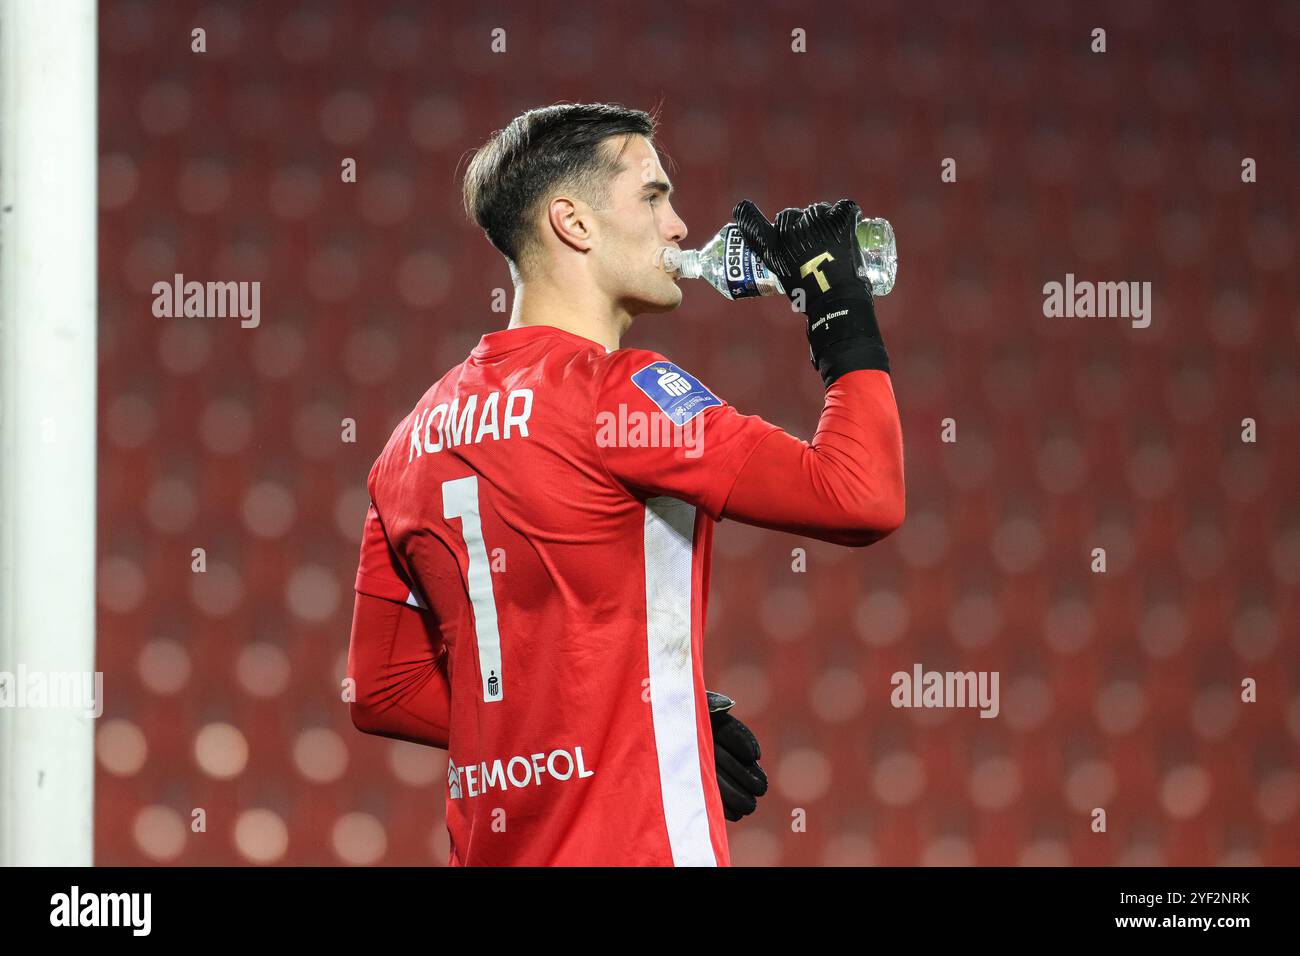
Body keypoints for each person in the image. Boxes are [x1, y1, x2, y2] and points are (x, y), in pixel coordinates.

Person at [346, 102, 905, 866]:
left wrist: (636, 713)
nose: (678, 227)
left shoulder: (408, 443)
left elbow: (384, 689)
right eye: (653, 196)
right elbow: (860, 494)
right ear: (572, 222)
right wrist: (842, 317)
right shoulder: (621, 393)